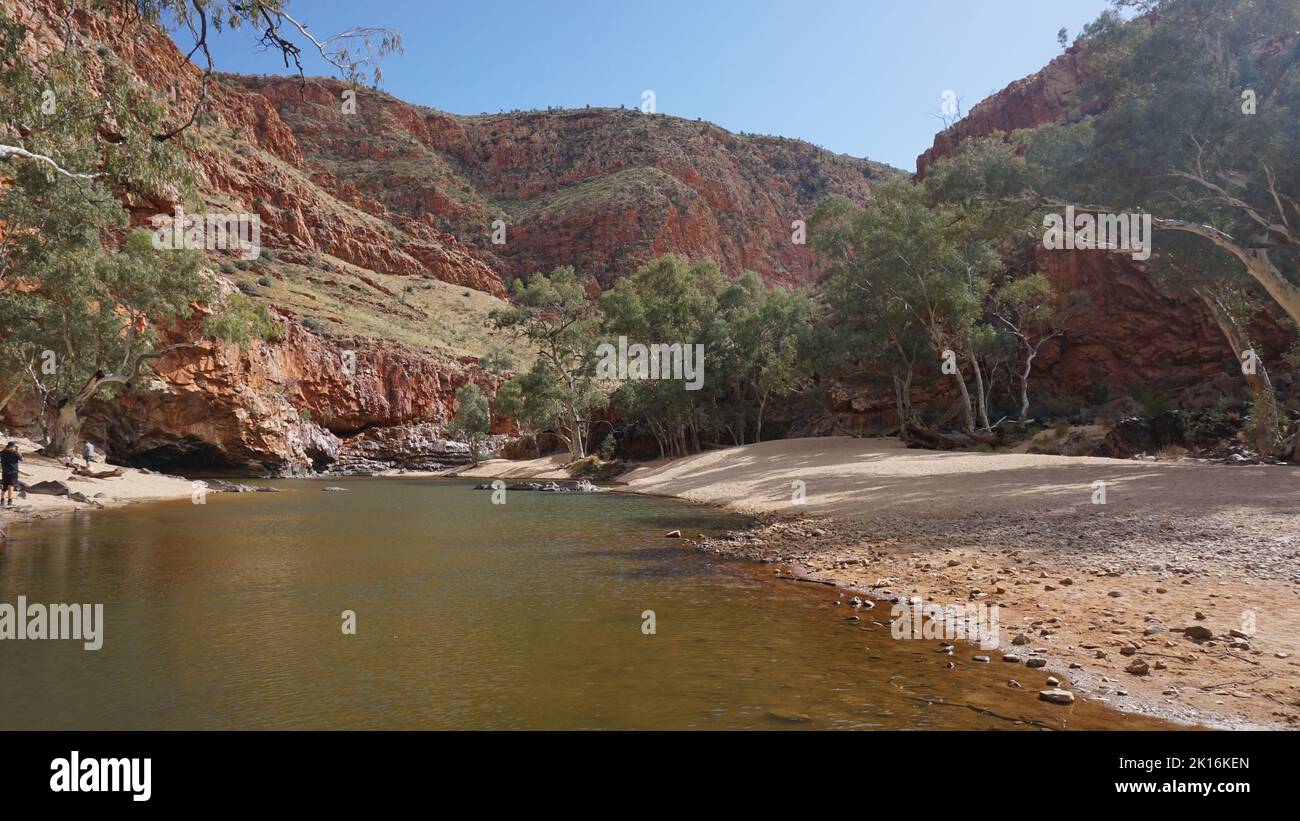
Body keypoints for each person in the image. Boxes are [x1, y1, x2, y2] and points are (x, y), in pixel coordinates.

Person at [1, 441, 20, 508]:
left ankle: (2, 501)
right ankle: (9, 501)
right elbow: (21, 459)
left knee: (4, 486)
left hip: (5, 472)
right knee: (11, 486)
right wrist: (17, 451)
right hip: (13, 472)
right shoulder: (14, 453)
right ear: (12, 447)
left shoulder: (2, 452)